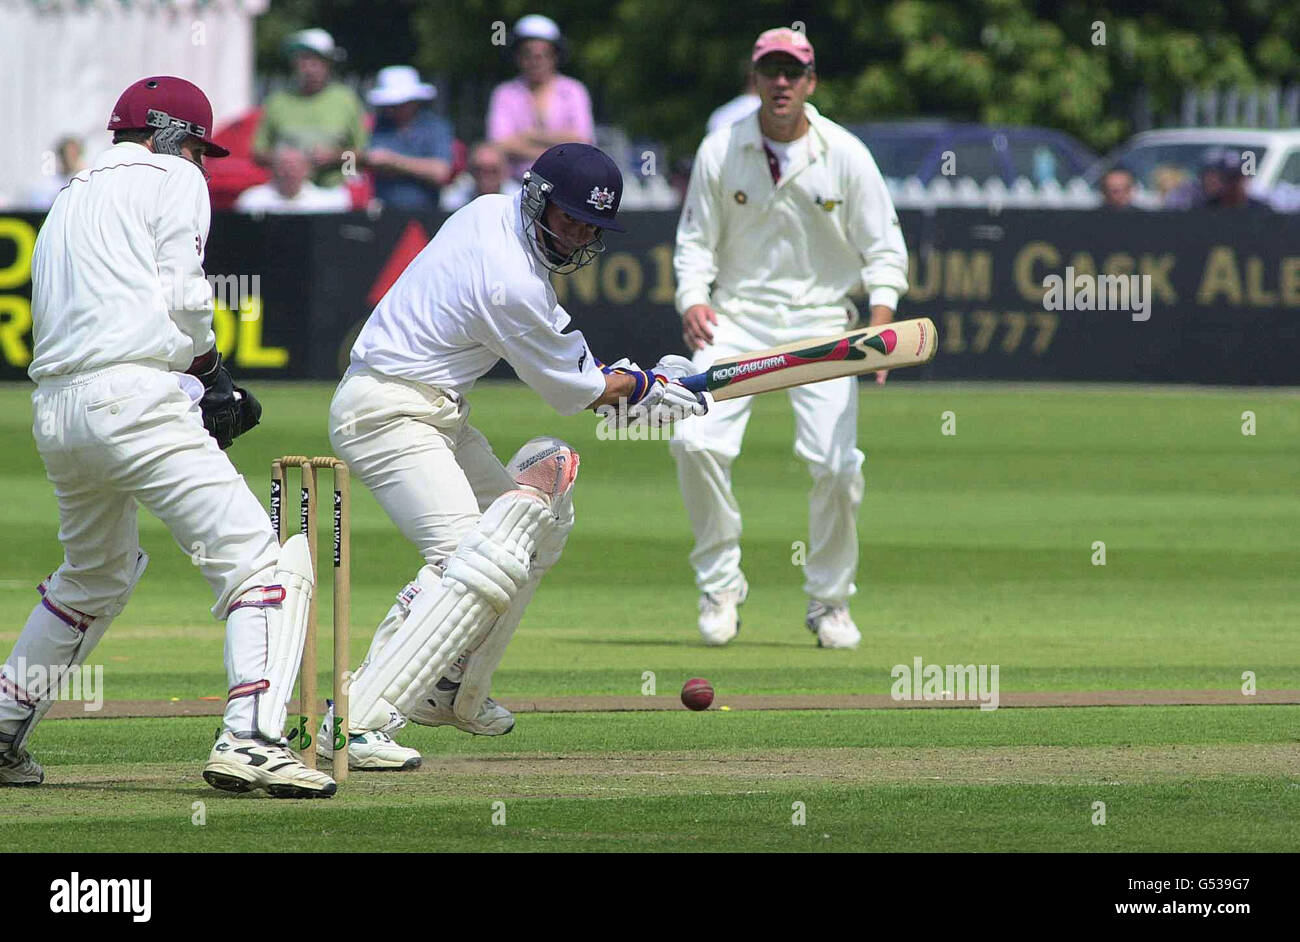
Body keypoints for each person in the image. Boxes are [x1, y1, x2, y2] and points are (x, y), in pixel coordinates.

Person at [318, 143, 706, 771]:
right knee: (473, 558)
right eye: (569, 217)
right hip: (387, 413)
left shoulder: (489, 211)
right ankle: (358, 717)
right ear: (537, 198)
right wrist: (641, 390)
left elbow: (570, 360)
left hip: (433, 410)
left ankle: (451, 690)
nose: (576, 234)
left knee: (537, 529)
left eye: (589, 226)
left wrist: (640, 385)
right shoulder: (510, 280)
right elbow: (571, 389)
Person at [0, 76, 334, 797]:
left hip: (57, 411)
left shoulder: (69, 194)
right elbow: (183, 293)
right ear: (176, 139)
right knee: (256, 563)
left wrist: (194, 381)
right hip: (132, 401)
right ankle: (250, 739)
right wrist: (212, 372)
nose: (204, 165)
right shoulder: (175, 176)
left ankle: (1, 727)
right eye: (200, 151)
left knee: (93, 576)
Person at [671, 28, 908, 649]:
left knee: (835, 465)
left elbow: (884, 251)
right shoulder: (720, 150)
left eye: (792, 72)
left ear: (810, 83)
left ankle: (829, 603)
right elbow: (694, 242)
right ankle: (722, 585)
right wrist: (692, 298)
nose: (781, 82)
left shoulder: (846, 153)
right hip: (738, 318)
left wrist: (879, 326)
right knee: (694, 441)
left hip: (823, 324)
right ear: (755, 79)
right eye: (769, 71)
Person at [253, 28, 368, 189]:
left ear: (328, 64)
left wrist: (334, 157)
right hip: (286, 193)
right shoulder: (277, 102)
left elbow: (362, 155)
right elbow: (258, 153)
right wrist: (289, 160)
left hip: (334, 192)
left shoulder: (346, 100)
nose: (309, 67)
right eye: (303, 60)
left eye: (316, 61)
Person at [487, 15, 595, 180]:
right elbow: (499, 144)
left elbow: (583, 140)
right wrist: (556, 150)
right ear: (518, 56)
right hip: (517, 186)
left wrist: (529, 136)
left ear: (555, 56)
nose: (536, 61)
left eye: (543, 54)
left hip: (567, 185)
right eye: (528, 54)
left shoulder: (574, 90)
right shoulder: (505, 93)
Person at [364, 66, 455, 212]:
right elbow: (370, 160)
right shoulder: (378, 127)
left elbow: (440, 171)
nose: (393, 109)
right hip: (385, 211)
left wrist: (393, 161)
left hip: (428, 212)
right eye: (390, 105)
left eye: (400, 104)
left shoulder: (435, 126)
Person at [235, 146, 351, 214]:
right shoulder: (251, 201)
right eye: (283, 166)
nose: (289, 172)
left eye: (295, 167)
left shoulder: (326, 204)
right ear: (273, 169)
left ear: (307, 170)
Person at [439, 141, 521, 212]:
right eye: (479, 170)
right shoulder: (457, 194)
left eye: (493, 171)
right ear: (470, 170)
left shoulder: (517, 200)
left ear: (504, 171)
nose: (486, 176)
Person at [21, 137, 86, 210]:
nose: (72, 159)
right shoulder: (47, 182)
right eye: (69, 154)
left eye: (75, 155)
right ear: (61, 156)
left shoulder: (84, 180)